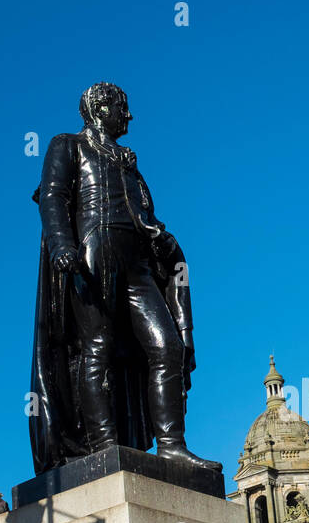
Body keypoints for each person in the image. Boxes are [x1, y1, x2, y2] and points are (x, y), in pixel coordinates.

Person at [31, 82, 221, 476]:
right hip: (92, 252)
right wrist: (62, 245)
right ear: (101, 108)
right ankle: (103, 447)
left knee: (167, 346)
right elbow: (52, 197)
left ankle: (171, 445)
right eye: (123, 108)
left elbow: (144, 212)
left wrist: (161, 237)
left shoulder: (128, 162)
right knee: (97, 346)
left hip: (138, 260)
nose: (129, 117)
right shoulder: (67, 145)